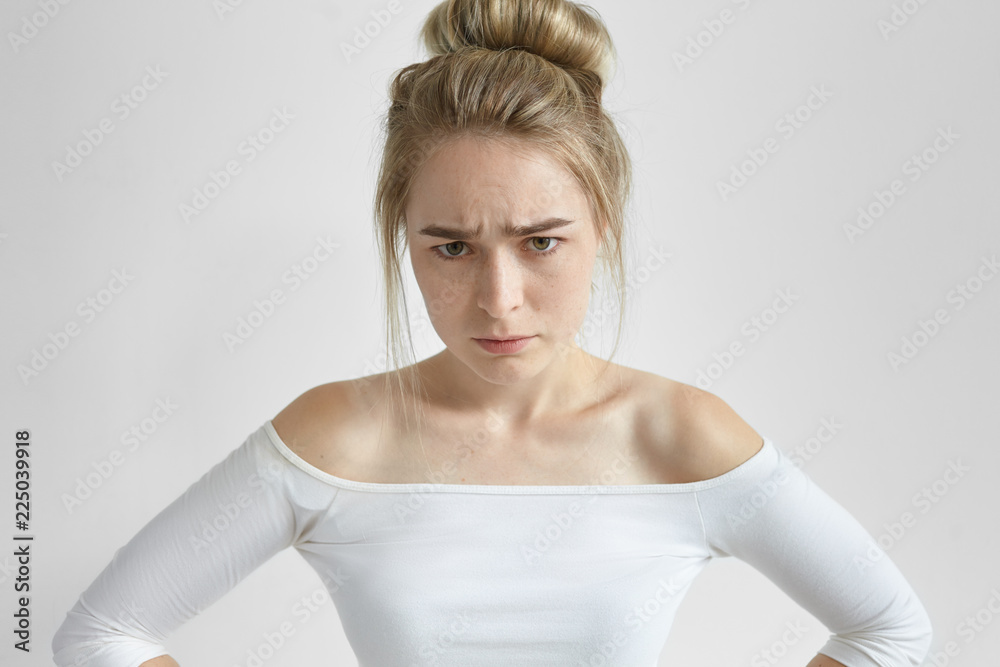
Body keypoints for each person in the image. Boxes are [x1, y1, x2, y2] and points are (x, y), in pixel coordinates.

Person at [51, 1, 933, 665]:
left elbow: (890, 629)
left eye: (540, 242)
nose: (498, 299)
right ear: (405, 237)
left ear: (604, 227)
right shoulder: (338, 435)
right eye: (452, 247)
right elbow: (102, 634)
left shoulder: (679, 433)